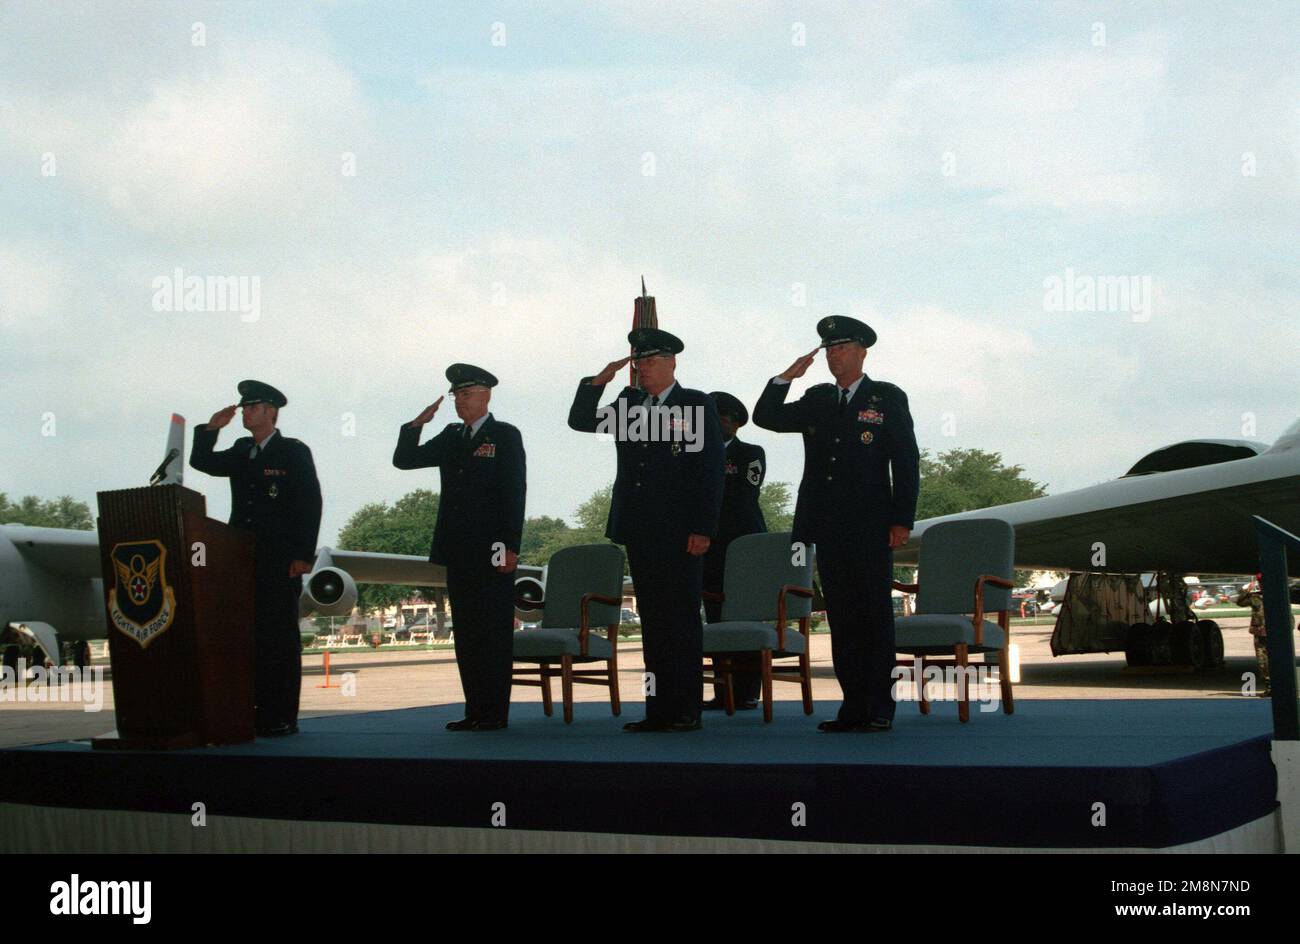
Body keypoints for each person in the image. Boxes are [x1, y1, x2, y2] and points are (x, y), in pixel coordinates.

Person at [753, 316, 919, 733]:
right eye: (828, 349)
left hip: (870, 523)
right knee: (842, 617)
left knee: (874, 616)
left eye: (841, 348)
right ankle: (853, 707)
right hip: (826, 524)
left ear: (862, 352)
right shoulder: (818, 398)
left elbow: (906, 461)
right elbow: (766, 417)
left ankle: (879, 706)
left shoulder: (885, 398)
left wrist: (902, 518)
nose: (833, 356)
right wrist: (785, 377)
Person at [568, 327, 724, 732]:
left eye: (652, 361)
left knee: (682, 621)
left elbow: (708, 472)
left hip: (681, 531)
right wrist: (597, 383)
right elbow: (581, 420)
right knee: (654, 625)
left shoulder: (695, 404)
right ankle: (659, 710)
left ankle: (686, 710)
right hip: (640, 529)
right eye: (638, 363)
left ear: (673, 363)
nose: (643, 369)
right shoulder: (628, 402)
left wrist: (703, 527)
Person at [393, 364, 525, 731]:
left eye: (466, 394)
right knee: (467, 634)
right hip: (458, 549)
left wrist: (509, 548)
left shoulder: (505, 435)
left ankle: (494, 713)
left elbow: (513, 494)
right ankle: (474, 710)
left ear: (486, 395)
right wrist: (416, 425)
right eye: (456, 396)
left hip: (492, 551)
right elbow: (405, 460)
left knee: (493, 635)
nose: (459, 402)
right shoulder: (451, 437)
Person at [190, 380, 322, 737]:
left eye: (253, 407)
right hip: (242, 558)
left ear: (271, 412)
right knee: (250, 637)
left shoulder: (293, 451)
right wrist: (210, 430)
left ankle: (282, 715)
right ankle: (256, 711)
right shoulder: (240, 449)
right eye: (244, 407)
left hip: (279, 559)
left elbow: (310, 503)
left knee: (279, 637)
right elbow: (202, 461)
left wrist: (302, 556)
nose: (246, 412)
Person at [702, 391, 767, 711]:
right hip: (709, 549)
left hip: (744, 548)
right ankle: (722, 690)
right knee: (716, 620)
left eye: (721, 420)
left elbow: (742, 495)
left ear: (735, 424)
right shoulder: (694, 452)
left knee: (745, 618)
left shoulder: (750, 453)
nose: (715, 426)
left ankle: (747, 691)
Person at [1235, 576, 1269, 695]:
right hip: (1259, 632)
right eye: (1260, 582)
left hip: (1274, 633)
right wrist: (1247, 591)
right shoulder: (1255, 597)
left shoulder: (1278, 595)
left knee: (1276, 659)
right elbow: (1239, 602)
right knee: (1262, 660)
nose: (1261, 584)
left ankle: (1280, 685)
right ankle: (1269, 685)